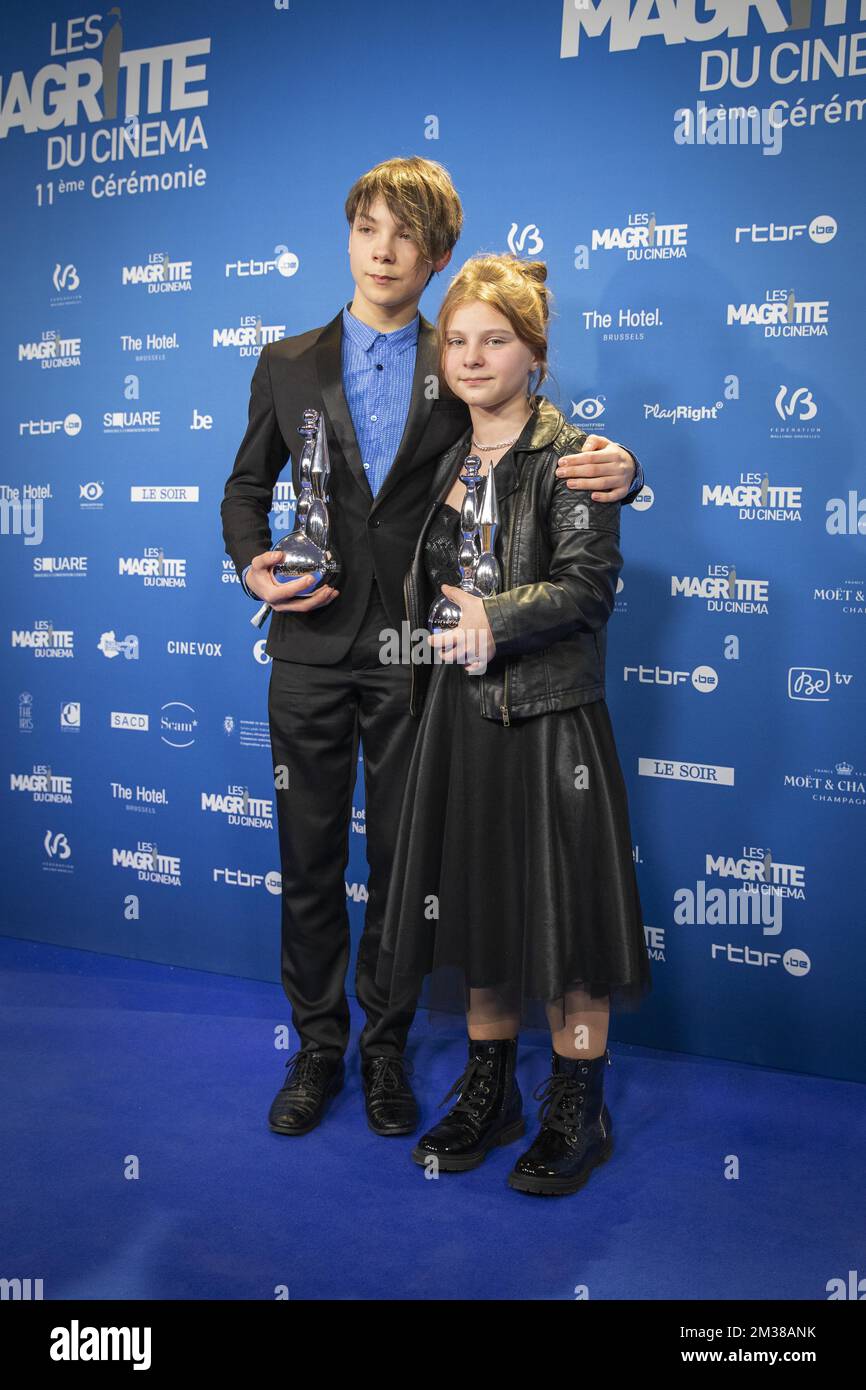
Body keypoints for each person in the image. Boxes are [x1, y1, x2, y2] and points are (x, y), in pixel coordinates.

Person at [221, 157, 645, 1142]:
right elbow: (245, 489)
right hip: (309, 645)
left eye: (404, 234)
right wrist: (250, 563)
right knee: (309, 858)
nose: (381, 248)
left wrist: (629, 465)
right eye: (367, 226)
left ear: (436, 255)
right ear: (347, 236)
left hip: (423, 657)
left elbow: (537, 437)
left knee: (410, 869)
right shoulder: (287, 362)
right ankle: (318, 1046)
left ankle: (383, 1049)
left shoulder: (457, 358)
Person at [376, 252, 651, 1195]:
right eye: (456, 341)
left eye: (495, 340)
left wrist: (501, 617)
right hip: (459, 718)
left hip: (548, 719)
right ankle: (490, 1088)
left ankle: (579, 1103)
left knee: (567, 920)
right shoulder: (446, 451)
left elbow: (587, 587)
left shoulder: (576, 454)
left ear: (535, 351)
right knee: (483, 903)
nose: (472, 357)